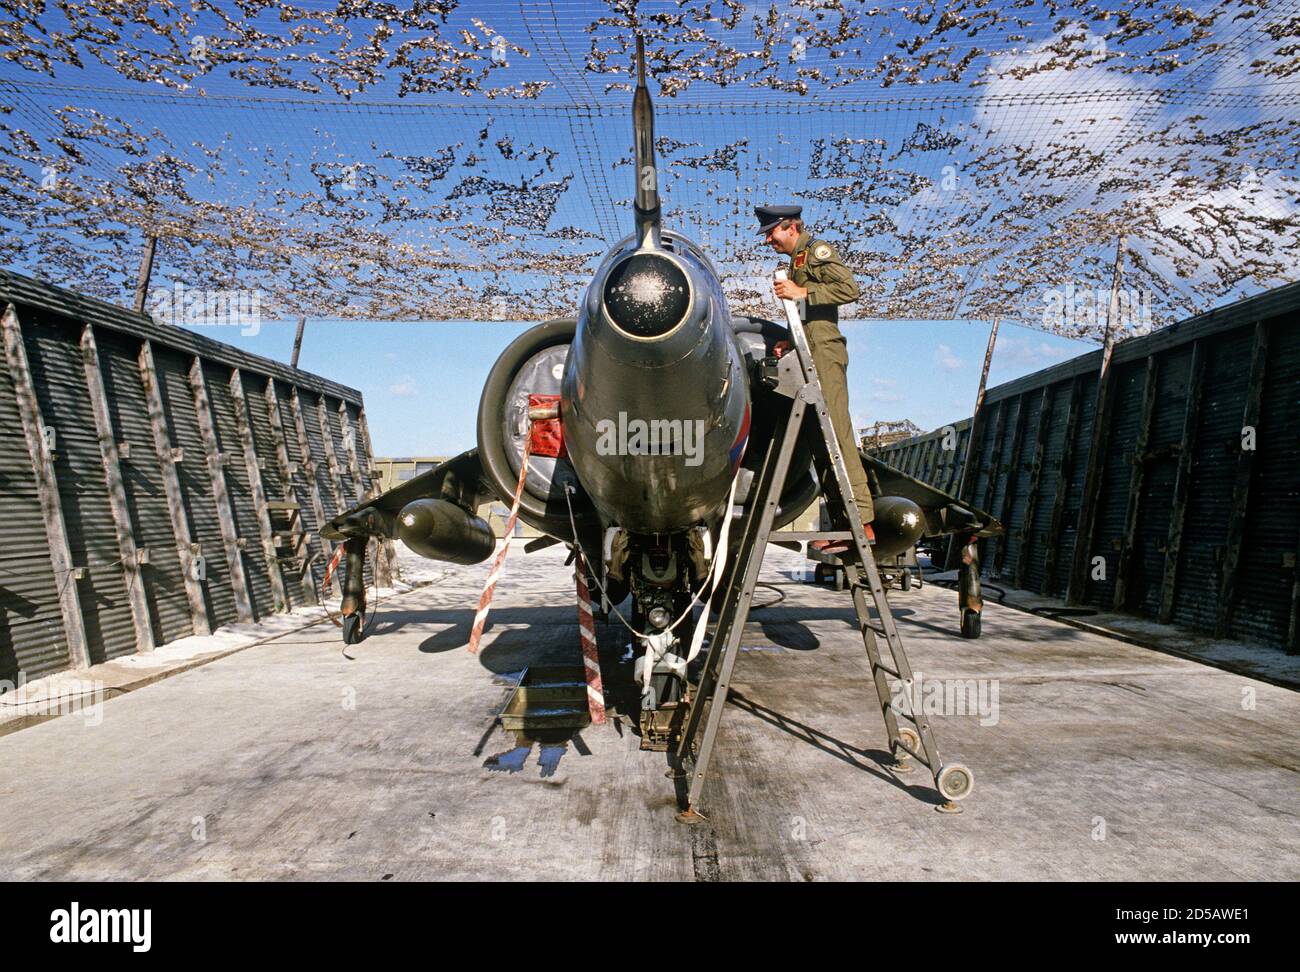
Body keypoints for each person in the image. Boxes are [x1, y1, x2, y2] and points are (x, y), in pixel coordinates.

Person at [755, 204, 874, 543]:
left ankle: (862, 522)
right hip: (808, 351)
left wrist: (802, 292)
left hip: (825, 353)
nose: (768, 241)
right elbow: (810, 315)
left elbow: (849, 289)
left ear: (790, 227)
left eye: (771, 233)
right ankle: (843, 522)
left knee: (836, 432)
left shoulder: (817, 251)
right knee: (819, 438)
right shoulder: (797, 262)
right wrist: (789, 342)